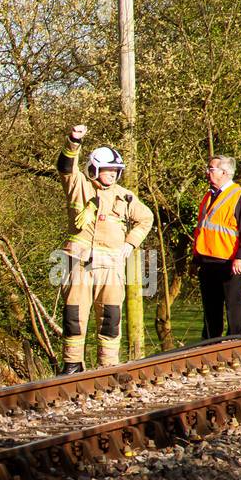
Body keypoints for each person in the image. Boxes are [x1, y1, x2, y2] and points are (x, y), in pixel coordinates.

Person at [55, 124, 154, 373]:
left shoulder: (125, 196)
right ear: (95, 168)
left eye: (116, 170)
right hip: (79, 263)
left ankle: (108, 366)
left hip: (111, 266)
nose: (112, 174)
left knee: (110, 317)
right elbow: (66, 168)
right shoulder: (80, 186)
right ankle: (72, 363)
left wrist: (130, 243)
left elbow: (146, 218)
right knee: (74, 316)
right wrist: (73, 141)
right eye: (108, 170)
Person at [192, 155, 241, 338]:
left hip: (228, 259)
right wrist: (195, 258)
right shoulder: (209, 196)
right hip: (207, 259)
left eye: (211, 169)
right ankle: (211, 343)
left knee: (233, 303)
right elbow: (202, 229)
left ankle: (236, 339)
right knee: (211, 306)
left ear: (224, 172)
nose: (207, 172)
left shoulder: (240, 196)